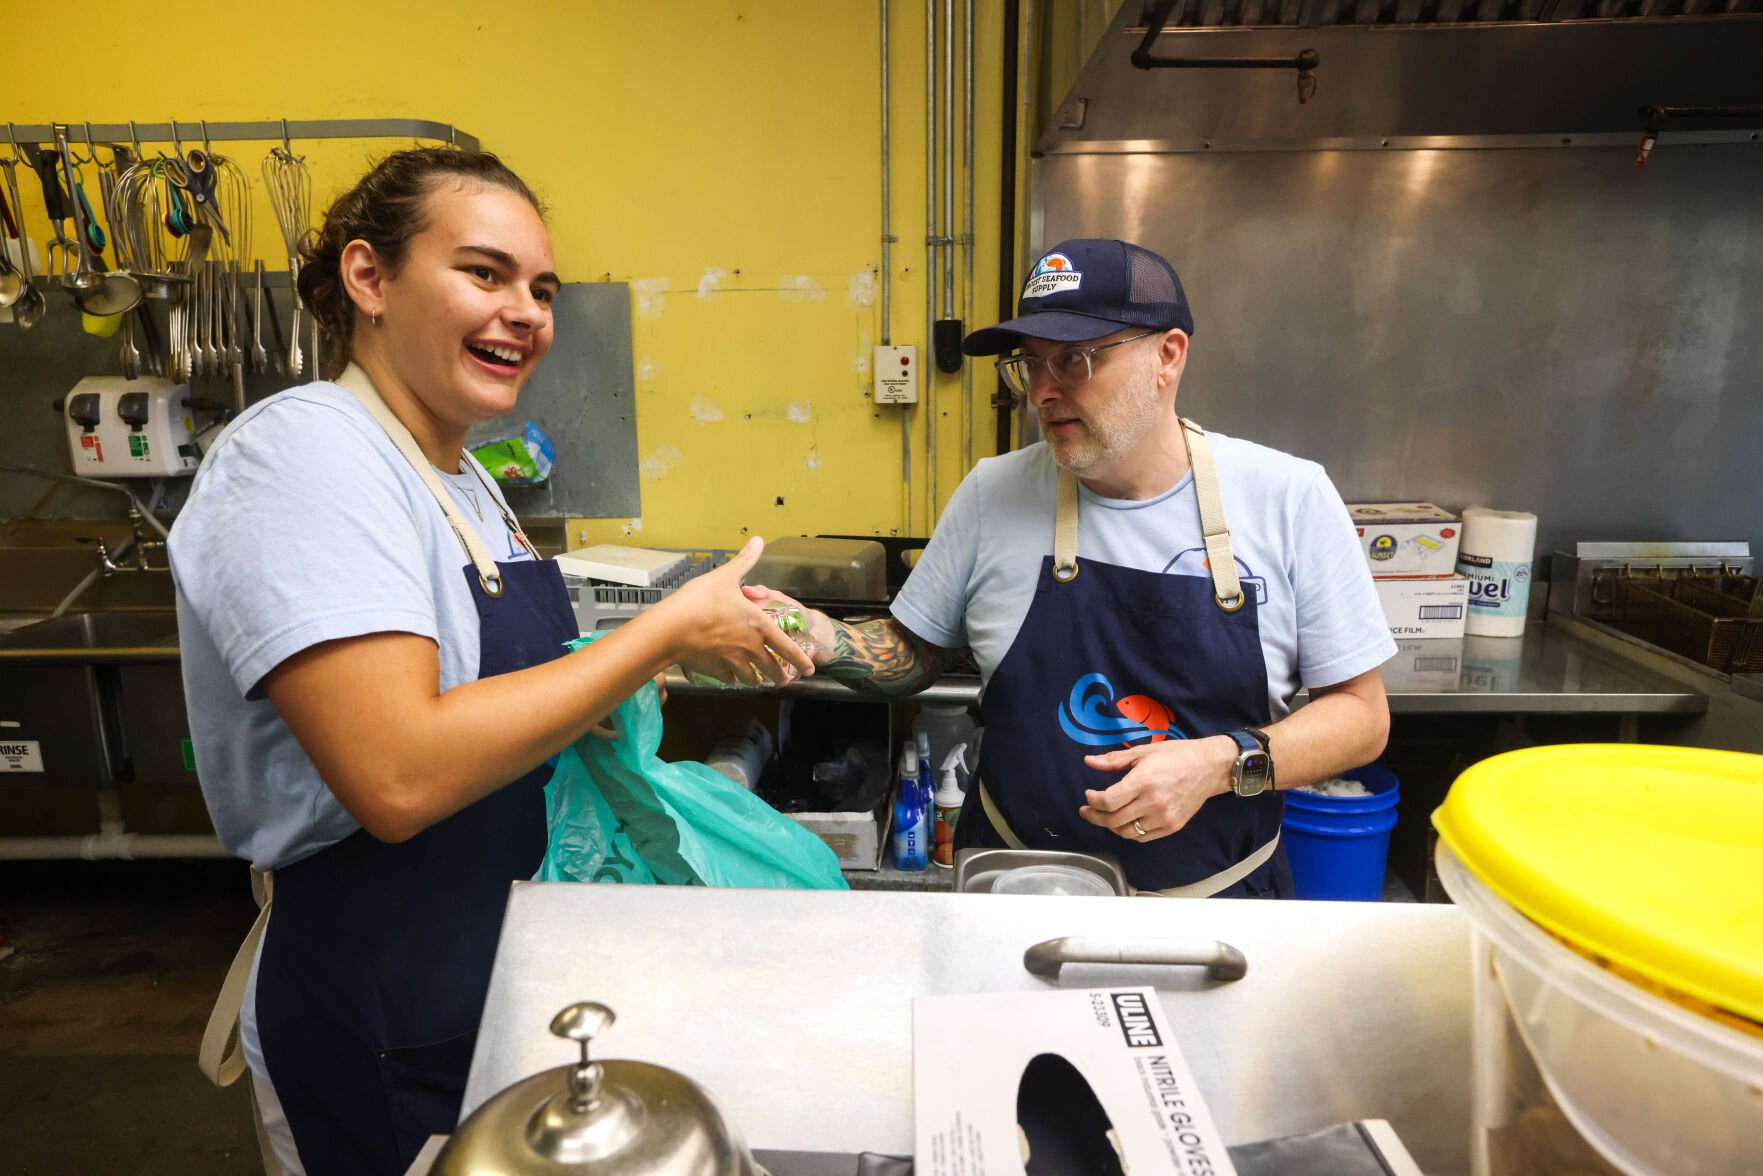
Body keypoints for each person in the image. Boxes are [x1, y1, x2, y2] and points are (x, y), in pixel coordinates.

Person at [170, 148, 813, 1176]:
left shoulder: (465, 477)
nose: (527, 312)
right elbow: (397, 772)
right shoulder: (302, 457)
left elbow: (486, 697)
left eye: (542, 289)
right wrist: (661, 632)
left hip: (491, 971)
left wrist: (614, 679)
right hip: (382, 989)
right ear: (368, 278)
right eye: (484, 273)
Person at [747, 238, 1393, 898]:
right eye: (1029, 365)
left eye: (1074, 361)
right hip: (1015, 889)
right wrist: (806, 630)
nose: (1043, 392)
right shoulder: (990, 494)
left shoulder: (1288, 498)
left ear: (1167, 356)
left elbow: (1360, 717)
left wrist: (1217, 764)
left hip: (1214, 903)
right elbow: (914, 652)